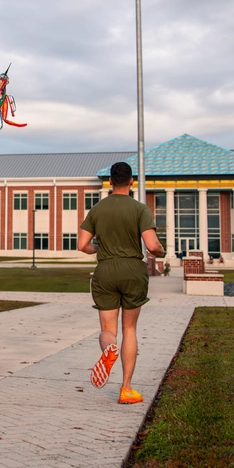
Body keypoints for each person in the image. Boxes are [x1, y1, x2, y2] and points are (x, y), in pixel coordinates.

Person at [77, 161, 165, 404]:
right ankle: (126, 388)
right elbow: (152, 245)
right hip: (132, 270)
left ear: (111, 182)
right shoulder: (140, 209)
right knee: (130, 329)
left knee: (108, 329)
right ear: (132, 182)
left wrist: (99, 247)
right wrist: (161, 251)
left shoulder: (97, 209)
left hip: (105, 270)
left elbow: (82, 245)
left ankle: (109, 349)